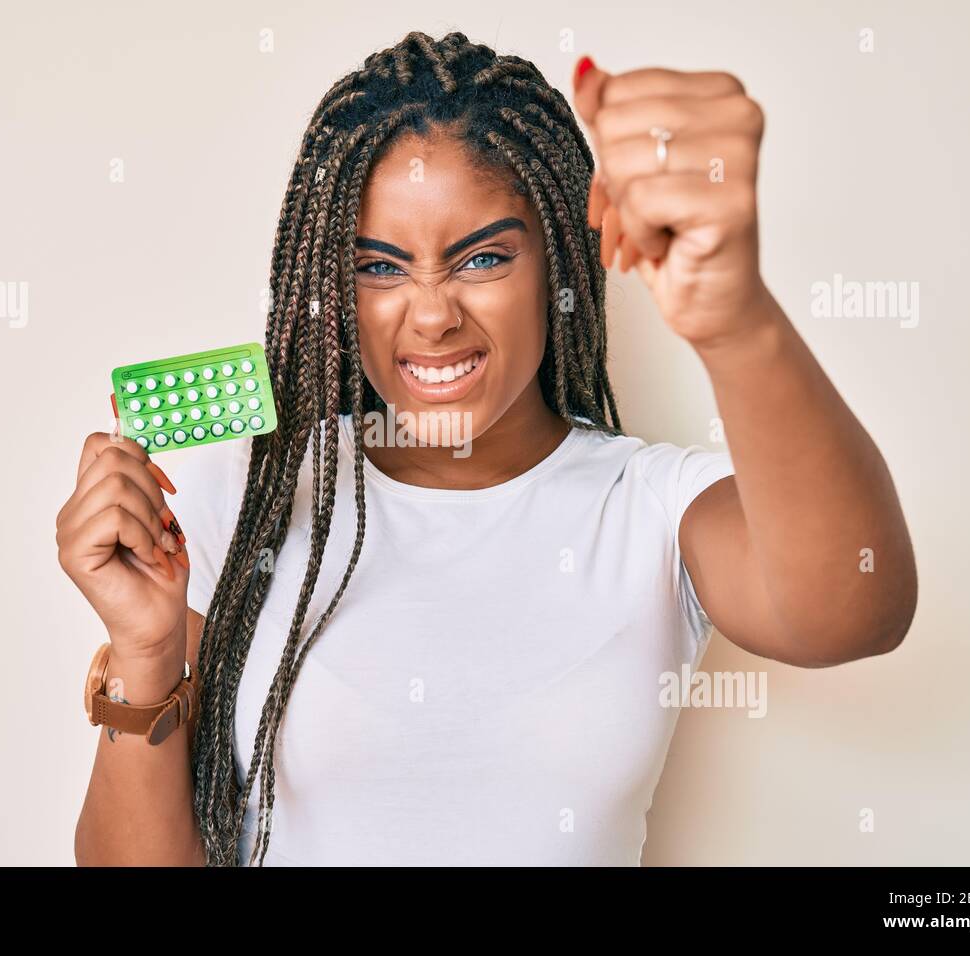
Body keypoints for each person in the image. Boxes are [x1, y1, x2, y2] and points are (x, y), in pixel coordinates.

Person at [58, 31, 917, 866]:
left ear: (563, 261)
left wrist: (737, 321)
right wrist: (144, 648)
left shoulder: (649, 505)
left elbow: (857, 608)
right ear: (329, 282)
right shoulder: (235, 494)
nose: (431, 316)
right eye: (381, 267)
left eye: (483, 259)